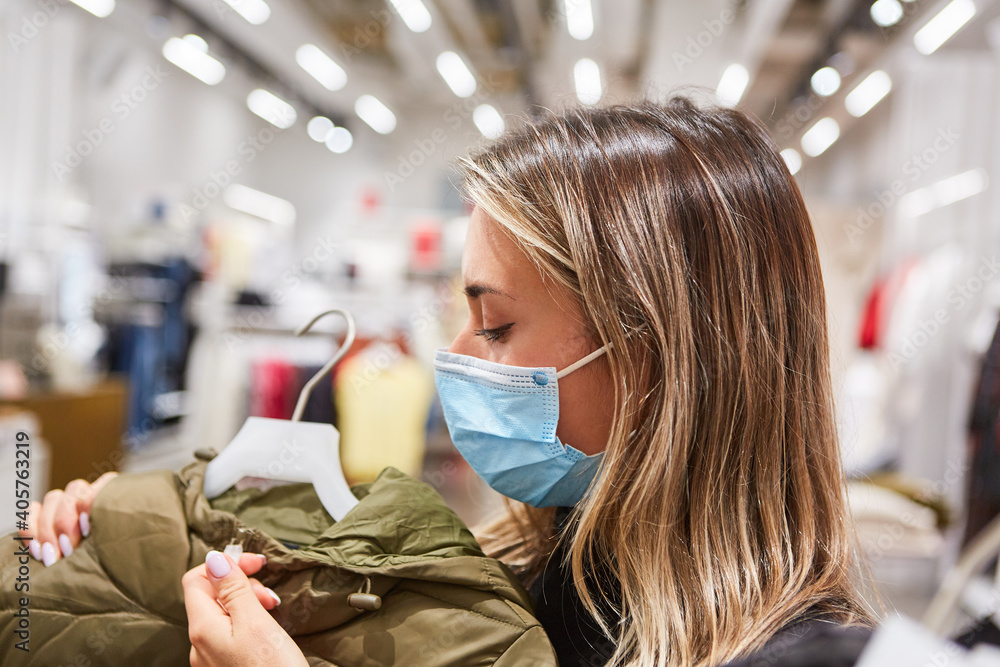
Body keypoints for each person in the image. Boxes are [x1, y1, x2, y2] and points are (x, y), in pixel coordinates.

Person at [22, 96, 876, 666]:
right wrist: (109, 537)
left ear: (650, 351)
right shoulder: (511, 578)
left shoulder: (799, 656)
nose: (458, 350)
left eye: (496, 322)